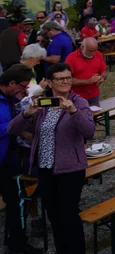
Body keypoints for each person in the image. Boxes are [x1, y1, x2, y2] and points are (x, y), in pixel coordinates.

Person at [8, 63, 95, 254]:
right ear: (49, 82)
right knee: (54, 218)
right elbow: (12, 129)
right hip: (45, 169)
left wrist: (73, 112)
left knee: (69, 217)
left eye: (68, 78)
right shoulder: (43, 104)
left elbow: (89, 131)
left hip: (70, 169)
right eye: (60, 79)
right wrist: (26, 114)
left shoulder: (79, 102)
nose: (65, 82)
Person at [0, 65, 39, 254]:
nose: (24, 91)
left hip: (9, 157)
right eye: (23, 87)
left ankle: (16, 243)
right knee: (17, 200)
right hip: (3, 159)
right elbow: (6, 127)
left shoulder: (9, 98)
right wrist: (19, 120)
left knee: (17, 201)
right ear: (11, 83)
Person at [64, 37, 107, 106]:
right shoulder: (71, 58)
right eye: (90, 51)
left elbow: (104, 71)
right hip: (77, 96)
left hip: (94, 94)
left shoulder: (98, 55)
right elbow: (67, 80)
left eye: (95, 50)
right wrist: (88, 81)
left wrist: (102, 77)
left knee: (95, 115)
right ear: (82, 47)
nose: (93, 53)